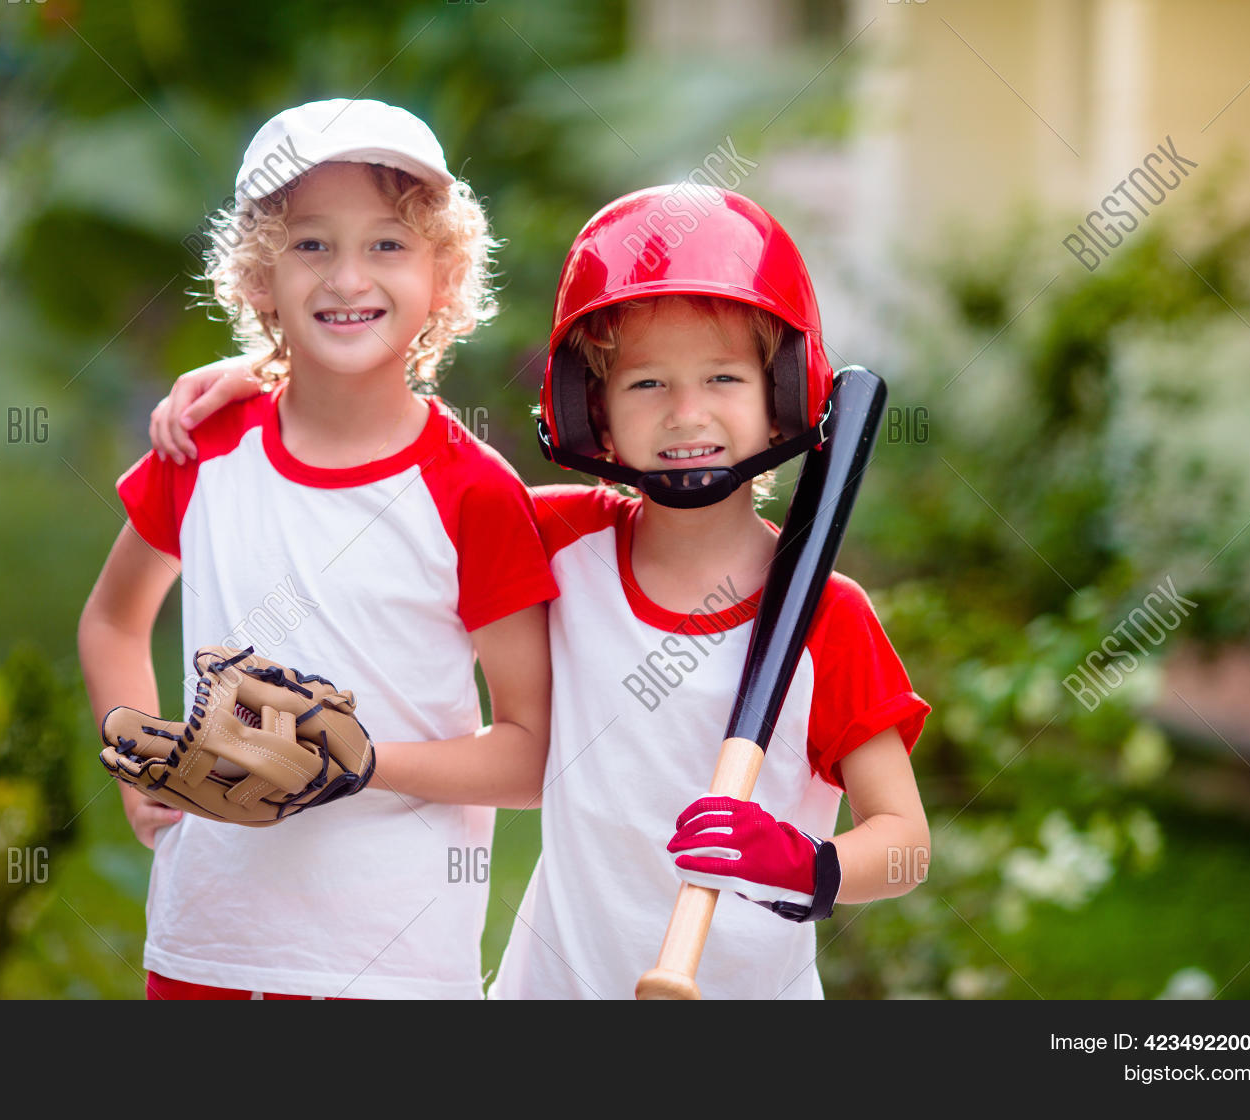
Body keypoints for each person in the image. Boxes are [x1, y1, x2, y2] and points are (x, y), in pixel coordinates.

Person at [150, 185, 931, 1000]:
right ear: (589, 410)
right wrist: (274, 367)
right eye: (647, 385)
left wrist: (811, 865)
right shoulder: (559, 541)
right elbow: (424, 468)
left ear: (780, 399)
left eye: (724, 378)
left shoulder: (825, 617)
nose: (686, 413)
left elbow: (906, 842)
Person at [78, 98, 556, 1001]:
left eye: (387, 244)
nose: (347, 278)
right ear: (257, 278)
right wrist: (138, 771)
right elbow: (111, 619)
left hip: (395, 967)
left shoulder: (475, 492)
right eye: (309, 245)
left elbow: (530, 754)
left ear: (444, 277)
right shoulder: (206, 447)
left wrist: (358, 763)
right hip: (205, 947)